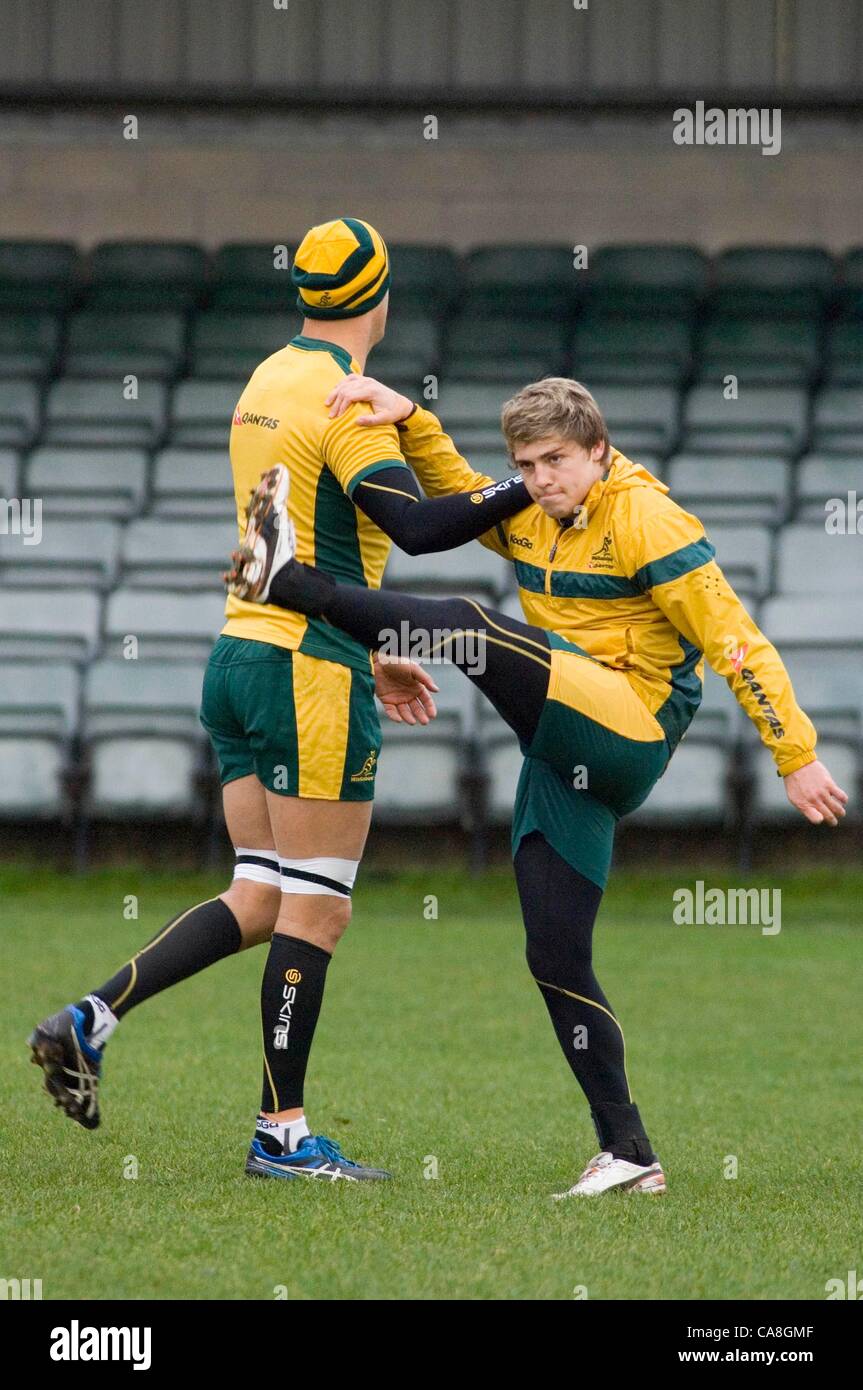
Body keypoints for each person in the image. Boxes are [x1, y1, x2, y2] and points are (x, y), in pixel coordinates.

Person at [227, 371, 848, 1197]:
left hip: (631, 725)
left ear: (598, 450)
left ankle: (289, 584)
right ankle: (629, 1154)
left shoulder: (647, 517)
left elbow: (735, 641)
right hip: (565, 736)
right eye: (525, 462)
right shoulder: (527, 503)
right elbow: (454, 497)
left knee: (470, 629)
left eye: (557, 459)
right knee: (554, 951)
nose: (540, 477)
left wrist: (793, 752)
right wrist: (412, 420)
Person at [27, 218, 531, 1183]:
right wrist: (527, 485)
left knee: (260, 893)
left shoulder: (264, 379)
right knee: (319, 909)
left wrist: (371, 647)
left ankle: (89, 1019)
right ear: (382, 300)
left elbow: (284, 536)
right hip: (306, 669)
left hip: (240, 656)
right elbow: (419, 530)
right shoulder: (348, 400)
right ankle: (282, 1137)